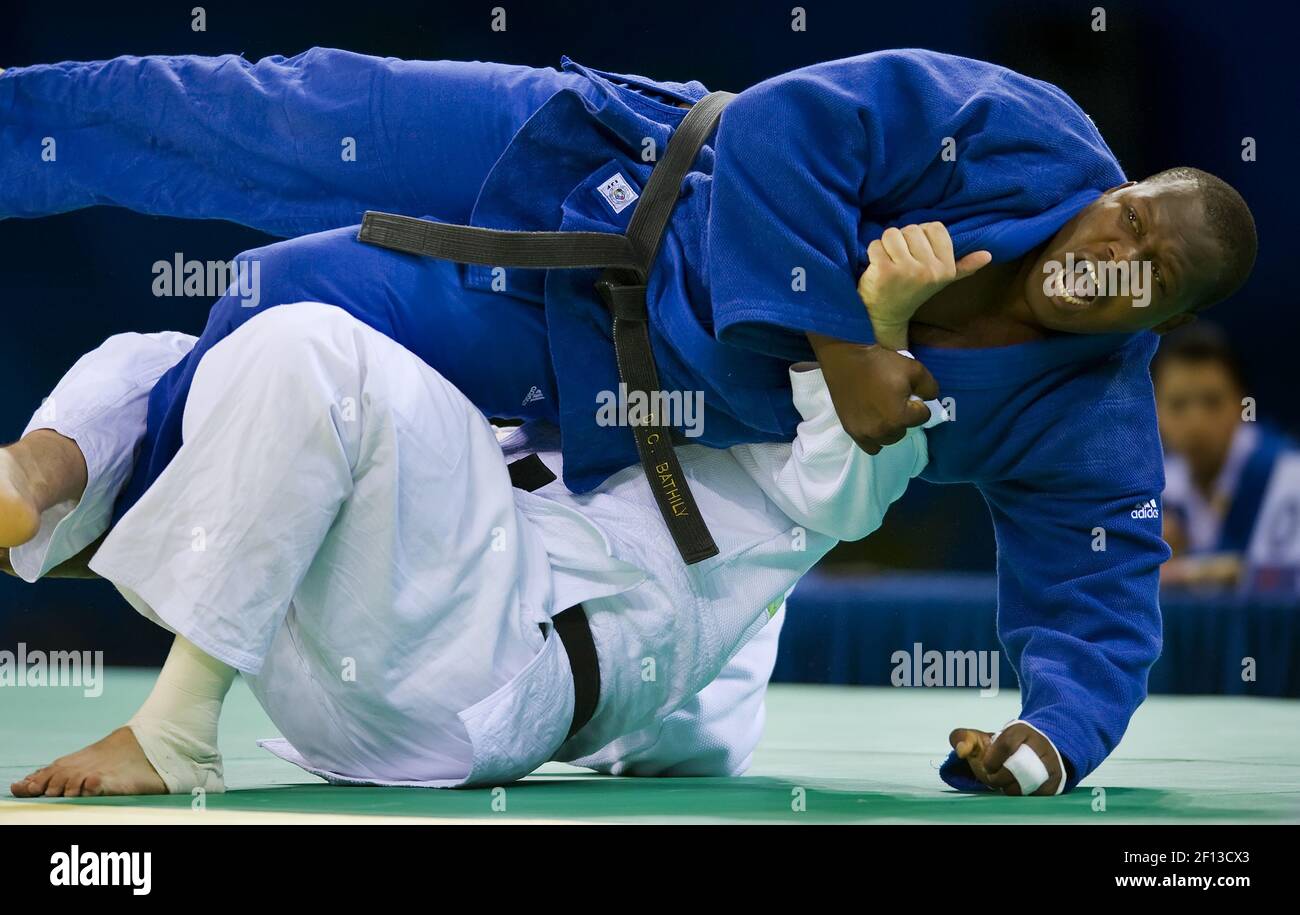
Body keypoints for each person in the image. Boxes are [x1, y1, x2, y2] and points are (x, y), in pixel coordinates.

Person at [0, 47, 1258, 792]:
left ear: (1161, 321)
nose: (1112, 262)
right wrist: (845, 342)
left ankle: (77, 475)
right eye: (1124, 224)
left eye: (1149, 279)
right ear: (1117, 187)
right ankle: (58, 436)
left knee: (284, 302)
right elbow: (787, 127)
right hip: (621, 162)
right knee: (283, 106)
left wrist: (1048, 743)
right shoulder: (1027, 139)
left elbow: (1101, 594)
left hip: (597, 362)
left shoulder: (1083, 414)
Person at [4, 303, 959, 796]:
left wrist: (869, 327)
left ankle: (173, 729)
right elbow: (690, 745)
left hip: (497, 658)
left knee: (312, 352)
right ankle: (33, 484)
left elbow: (857, 470)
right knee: (187, 349)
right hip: (340, 676)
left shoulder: (798, 458)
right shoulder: (586, 332)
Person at [1153, 325, 1294, 587]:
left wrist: (1181, 571)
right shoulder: (1155, 487)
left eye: (1212, 401)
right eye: (1178, 405)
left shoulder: (1287, 477)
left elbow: (1285, 581)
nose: (1197, 423)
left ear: (1242, 404)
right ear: (1155, 412)